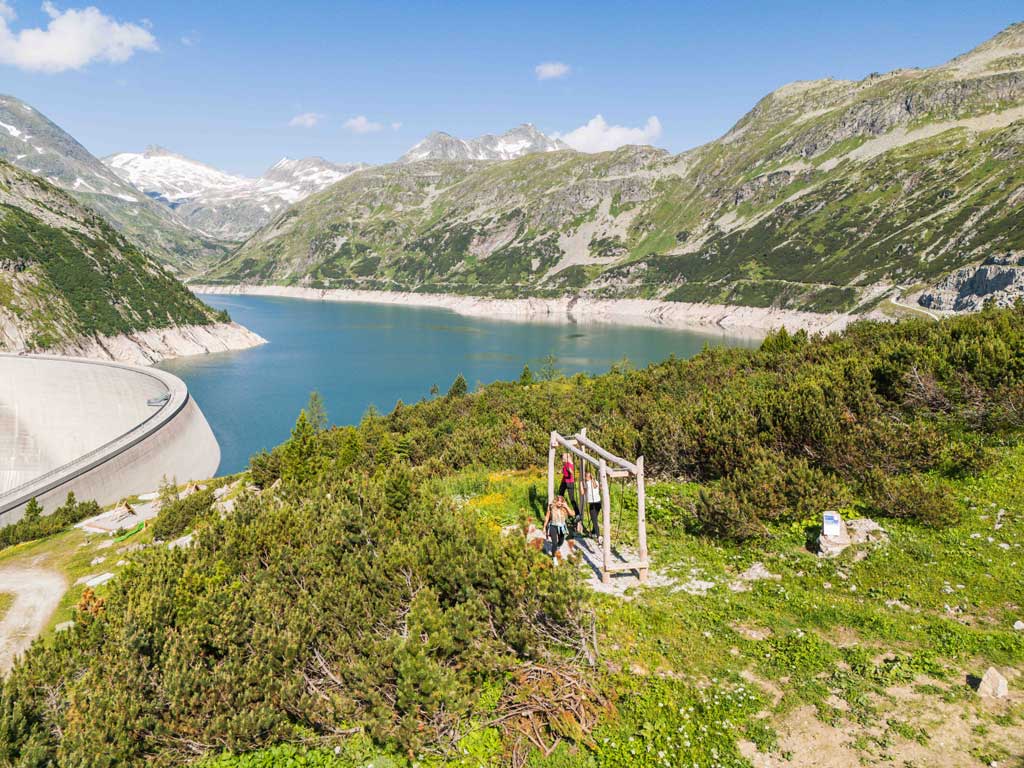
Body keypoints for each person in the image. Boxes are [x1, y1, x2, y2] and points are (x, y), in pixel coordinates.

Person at [558, 453, 580, 519]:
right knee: (560, 496)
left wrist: (570, 471)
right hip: (564, 482)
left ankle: (577, 513)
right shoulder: (565, 464)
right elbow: (563, 469)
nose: (562, 458)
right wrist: (560, 471)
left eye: (563, 457)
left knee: (572, 498)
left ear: (567, 457)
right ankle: (562, 509)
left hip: (570, 482)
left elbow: (571, 472)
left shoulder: (569, 463)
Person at [584, 471, 601, 539]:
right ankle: (594, 532)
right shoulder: (596, 481)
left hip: (592, 504)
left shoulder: (587, 483)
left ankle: (598, 536)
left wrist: (581, 484)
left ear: (587, 477)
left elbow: (583, 492)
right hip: (598, 503)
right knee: (595, 518)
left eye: (585, 477)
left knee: (594, 520)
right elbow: (595, 487)